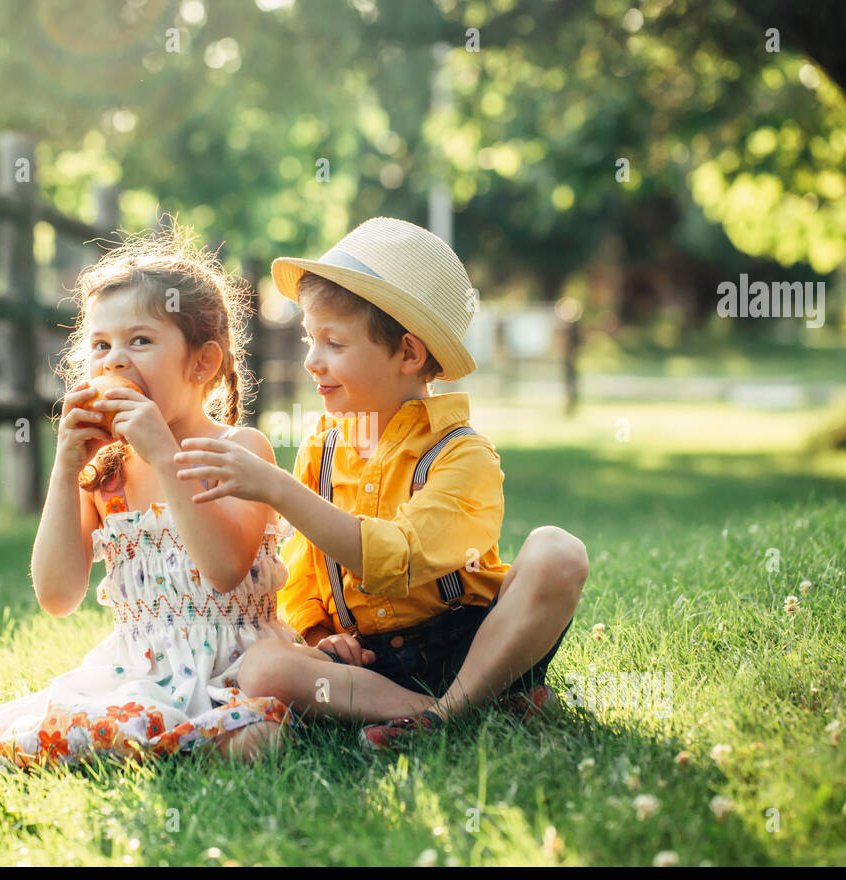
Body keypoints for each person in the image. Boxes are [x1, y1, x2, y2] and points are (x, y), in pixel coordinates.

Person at [172, 217, 588, 750]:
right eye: (309, 338)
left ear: (409, 355)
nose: (311, 359)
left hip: (474, 643)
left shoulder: (462, 454)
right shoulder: (321, 448)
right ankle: (456, 710)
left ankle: (452, 709)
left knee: (558, 551)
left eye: (334, 342)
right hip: (371, 666)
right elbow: (304, 573)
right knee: (263, 668)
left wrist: (278, 489)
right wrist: (325, 637)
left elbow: (396, 561)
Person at [0, 224, 298, 771]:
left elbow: (225, 569)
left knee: (258, 734)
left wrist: (163, 454)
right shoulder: (105, 473)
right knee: (47, 729)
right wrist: (66, 470)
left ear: (202, 364)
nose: (115, 362)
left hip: (236, 667)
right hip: (138, 671)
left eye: (140, 341)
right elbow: (57, 596)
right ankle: (151, 740)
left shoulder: (238, 449)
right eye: (101, 346)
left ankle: (163, 741)